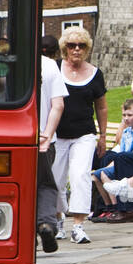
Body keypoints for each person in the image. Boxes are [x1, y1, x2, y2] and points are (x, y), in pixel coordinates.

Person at [50, 26, 107, 243]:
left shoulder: (95, 73)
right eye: (72, 45)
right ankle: (57, 219)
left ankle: (78, 225)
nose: (76, 49)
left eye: (81, 45)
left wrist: (102, 135)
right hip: (58, 134)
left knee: (80, 175)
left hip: (84, 134)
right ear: (65, 47)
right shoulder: (55, 69)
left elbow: (101, 107)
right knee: (55, 180)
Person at [36, 35, 67, 253]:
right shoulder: (48, 66)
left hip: (13, 136)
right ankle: (46, 223)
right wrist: (47, 135)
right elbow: (58, 105)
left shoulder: (6, 63)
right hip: (43, 140)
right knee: (45, 185)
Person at [91, 97, 133, 221]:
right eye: (124, 115)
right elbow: (122, 151)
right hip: (125, 161)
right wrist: (105, 170)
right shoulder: (126, 132)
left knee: (122, 159)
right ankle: (111, 208)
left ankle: (130, 209)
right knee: (100, 173)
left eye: (129, 115)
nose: (126, 118)